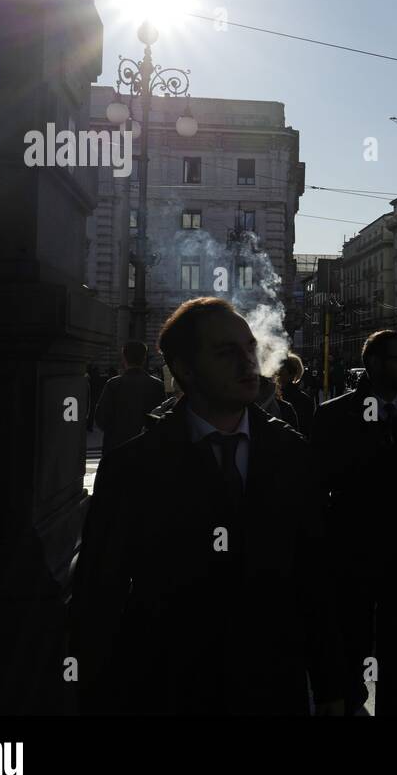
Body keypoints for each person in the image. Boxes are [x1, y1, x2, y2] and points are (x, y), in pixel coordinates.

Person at [69, 298, 344, 714]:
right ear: (184, 368)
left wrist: (331, 689)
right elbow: (99, 595)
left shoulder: (291, 452)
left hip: (272, 690)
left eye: (249, 347)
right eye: (225, 351)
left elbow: (317, 578)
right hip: (169, 690)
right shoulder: (133, 468)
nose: (247, 361)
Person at [312, 330, 397, 715]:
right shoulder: (334, 416)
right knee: (352, 644)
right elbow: (318, 491)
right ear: (373, 364)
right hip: (352, 557)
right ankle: (353, 701)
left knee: (396, 650)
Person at [94, 341, 166, 454]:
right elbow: (162, 419)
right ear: (144, 358)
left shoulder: (113, 384)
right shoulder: (157, 385)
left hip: (116, 447)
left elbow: (101, 418)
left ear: (124, 357)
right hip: (147, 448)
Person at [277, 353, 317, 438]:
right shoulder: (305, 400)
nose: (276, 374)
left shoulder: (276, 397)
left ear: (291, 374)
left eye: (280, 371)